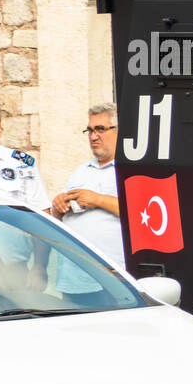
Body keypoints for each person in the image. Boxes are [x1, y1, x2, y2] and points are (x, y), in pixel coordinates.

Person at [49, 103, 125, 307]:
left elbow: (140, 212)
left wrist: (97, 199)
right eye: (90, 130)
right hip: (73, 280)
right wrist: (57, 206)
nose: (93, 136)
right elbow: (56, 218)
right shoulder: (81, 171)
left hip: (113, 280)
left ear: (120, 130)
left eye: (100, 129)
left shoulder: (129, 170)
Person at [0, 95, 51, 287]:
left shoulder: (20, 164)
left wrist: (40, 267)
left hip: (13, 273)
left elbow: (41, 217)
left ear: (0, 126)